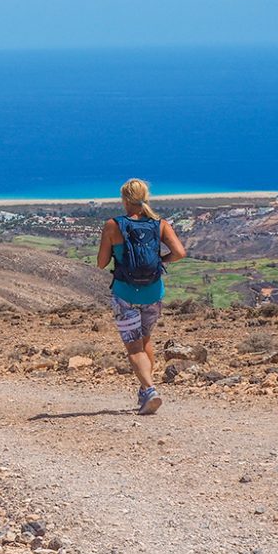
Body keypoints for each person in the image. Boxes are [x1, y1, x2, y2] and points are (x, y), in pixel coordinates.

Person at [96, 178, 186, 415]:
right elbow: (179, 252)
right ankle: (145, 389)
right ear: (146, 197)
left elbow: (101, 262)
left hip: (125, 293)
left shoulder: (113, 225)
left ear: (124, 200)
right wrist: (160, 261)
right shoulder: (160, 224)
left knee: (134, 348)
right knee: (145, 341)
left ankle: (150, 390)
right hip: (153, 293)